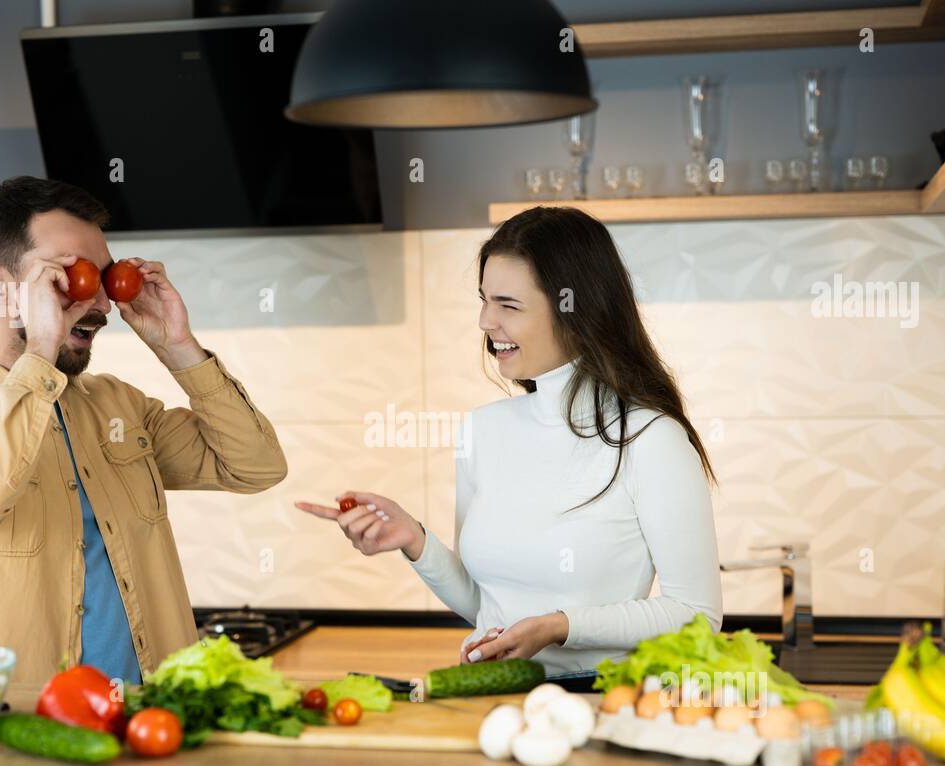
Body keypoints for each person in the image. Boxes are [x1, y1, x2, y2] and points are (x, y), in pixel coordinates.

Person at [0, 177, 287, 683]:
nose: (98, 302)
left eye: (105, 277)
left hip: (156, 721)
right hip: (29, 737)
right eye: (68, 275)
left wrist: (179, 347)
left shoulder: (117, 405)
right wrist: (39, 351)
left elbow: (256, 467)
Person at [297, 206, 722, 678]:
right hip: (496, 694)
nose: (485, 321)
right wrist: (415, 541)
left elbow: (697, 615)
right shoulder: (483, 430)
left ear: (573, 310)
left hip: (603, 700)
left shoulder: (650, 438)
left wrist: (561, 627)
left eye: (508, 305)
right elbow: (488, 607)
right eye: (484, 300)